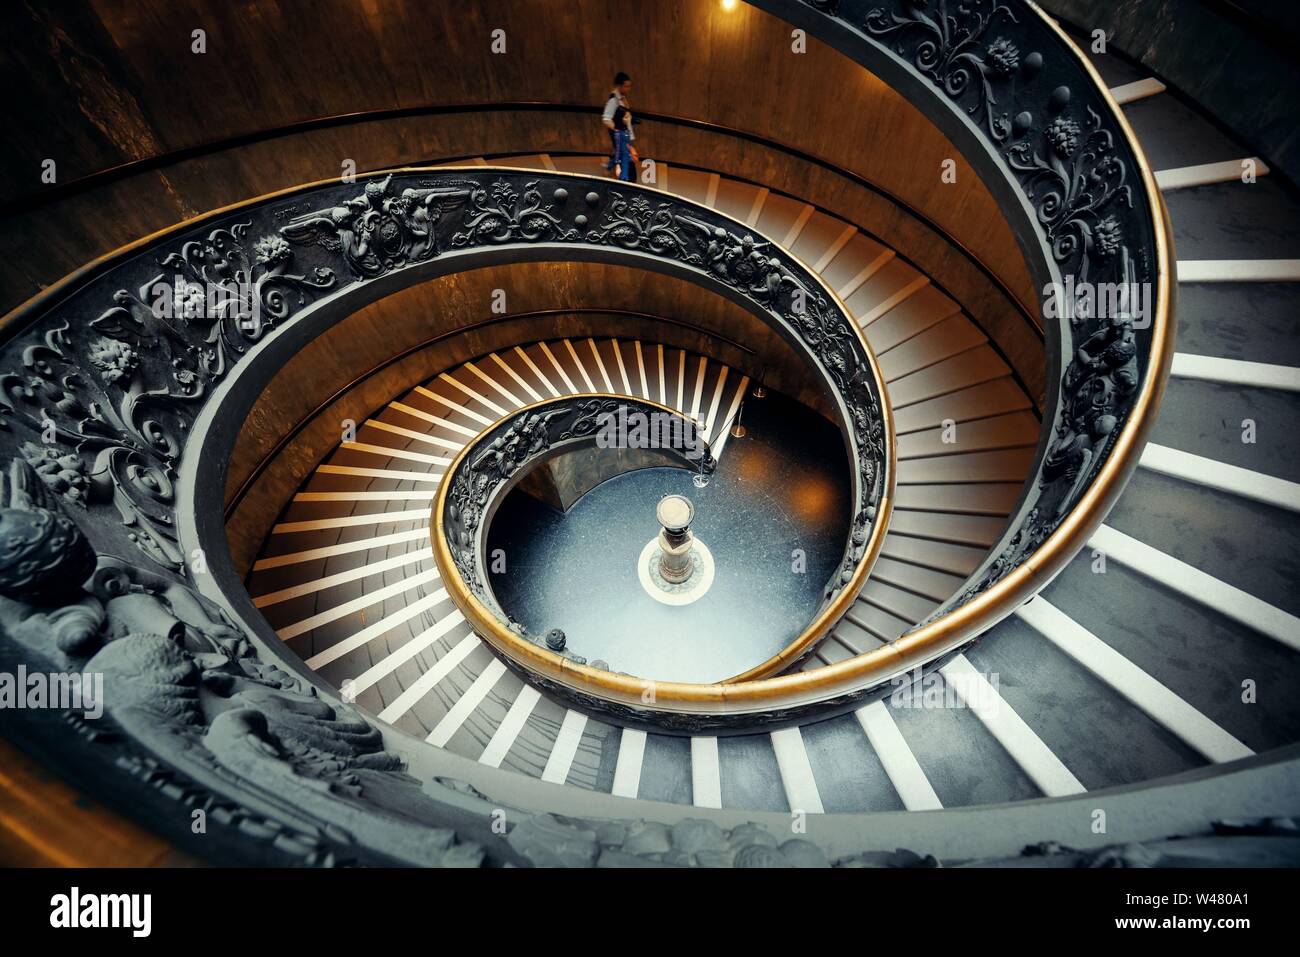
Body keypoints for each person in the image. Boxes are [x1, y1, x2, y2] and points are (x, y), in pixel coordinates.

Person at [602, 72, 633, 173]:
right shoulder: (614, 101)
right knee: (624, 155)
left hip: (624, 132)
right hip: (620, 133)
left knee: (620, 153)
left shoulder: (622, 98)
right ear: (620, 86)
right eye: (626, 86)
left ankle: (609, 166)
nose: (629, 89)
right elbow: (606, 119)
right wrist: (617, 129)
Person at [611, 103, 635, 181]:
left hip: (629, 160)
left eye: (628, 117)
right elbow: (617, 149)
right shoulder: (618, 132)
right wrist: (617, 165)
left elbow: (631, 141)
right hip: (622, 161)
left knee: (632, 179)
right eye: (626, 117)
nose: (628, 119)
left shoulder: (626, 130)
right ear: (620, 118)